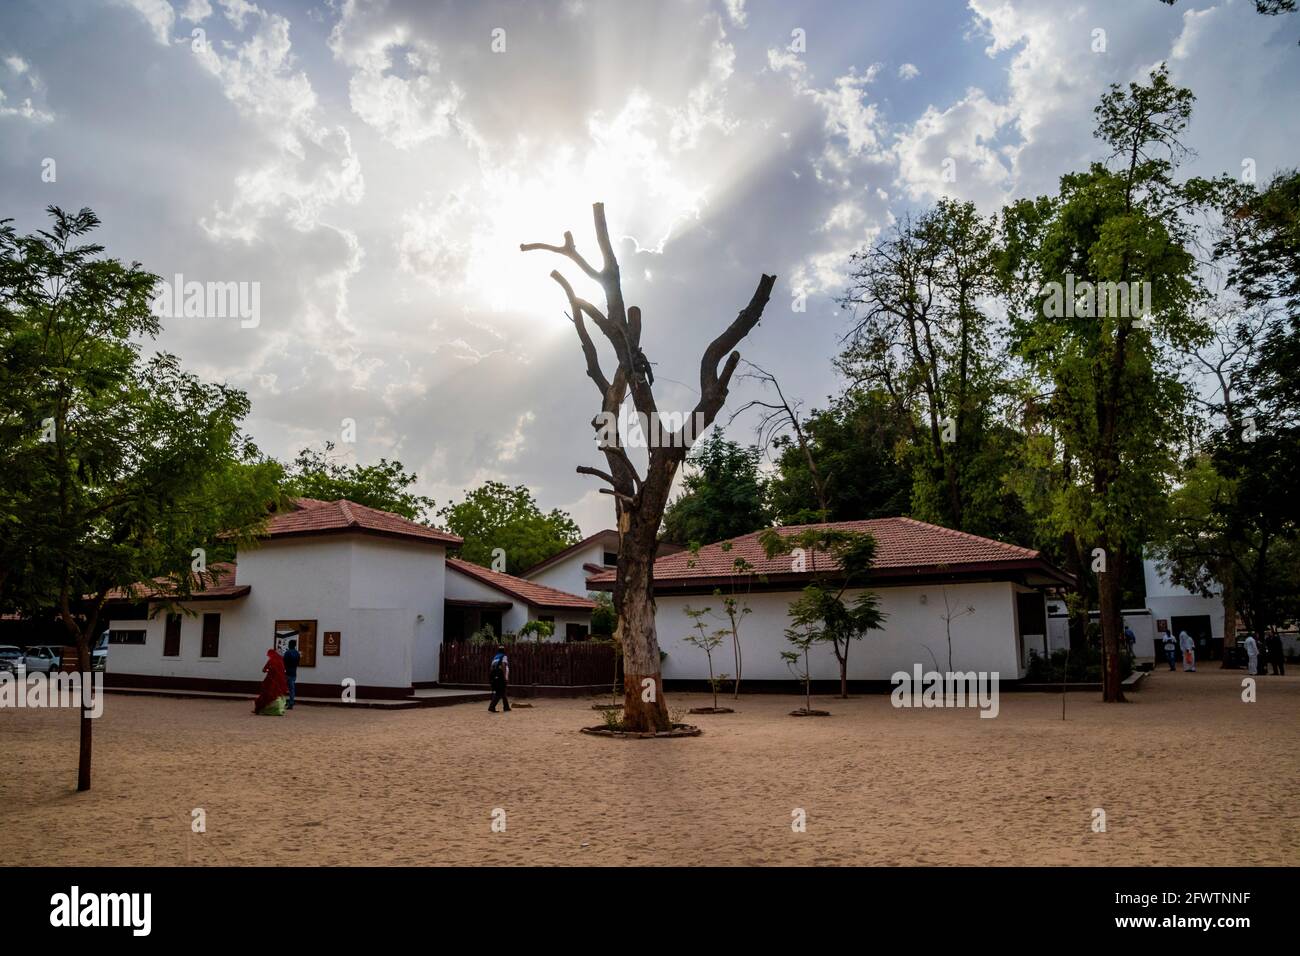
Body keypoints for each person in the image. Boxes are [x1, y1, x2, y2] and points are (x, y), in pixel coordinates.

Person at [254, 647, 289, 715]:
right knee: (277, 694)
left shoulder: (271, 660)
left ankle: (263, 709)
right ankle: (279, 710)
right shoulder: (280, 660)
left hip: (270, 680)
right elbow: (283, 670)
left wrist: (268, 670)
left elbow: (264, 670)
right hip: (279, 681)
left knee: (267, 693)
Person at [488, 644, 510, 713]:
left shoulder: (495, 657)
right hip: (500, 676)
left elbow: (491, 667)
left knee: (503, 691)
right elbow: (503, 665)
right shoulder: (504, 656)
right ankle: (492, 707)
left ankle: (506, 707)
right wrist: (504, 676)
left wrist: (492, 677)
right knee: (499, 692)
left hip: (495, 676)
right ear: (504, 650)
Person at [283, 639, 300, 709]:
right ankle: (291, 702)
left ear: (290, 645)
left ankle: (283, 702)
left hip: (287, 672)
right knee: (292, 689)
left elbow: (284, 662)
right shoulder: (297, 653)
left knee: (283, 688)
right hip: (294, 672)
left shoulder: (287, 652)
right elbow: (298, 663)